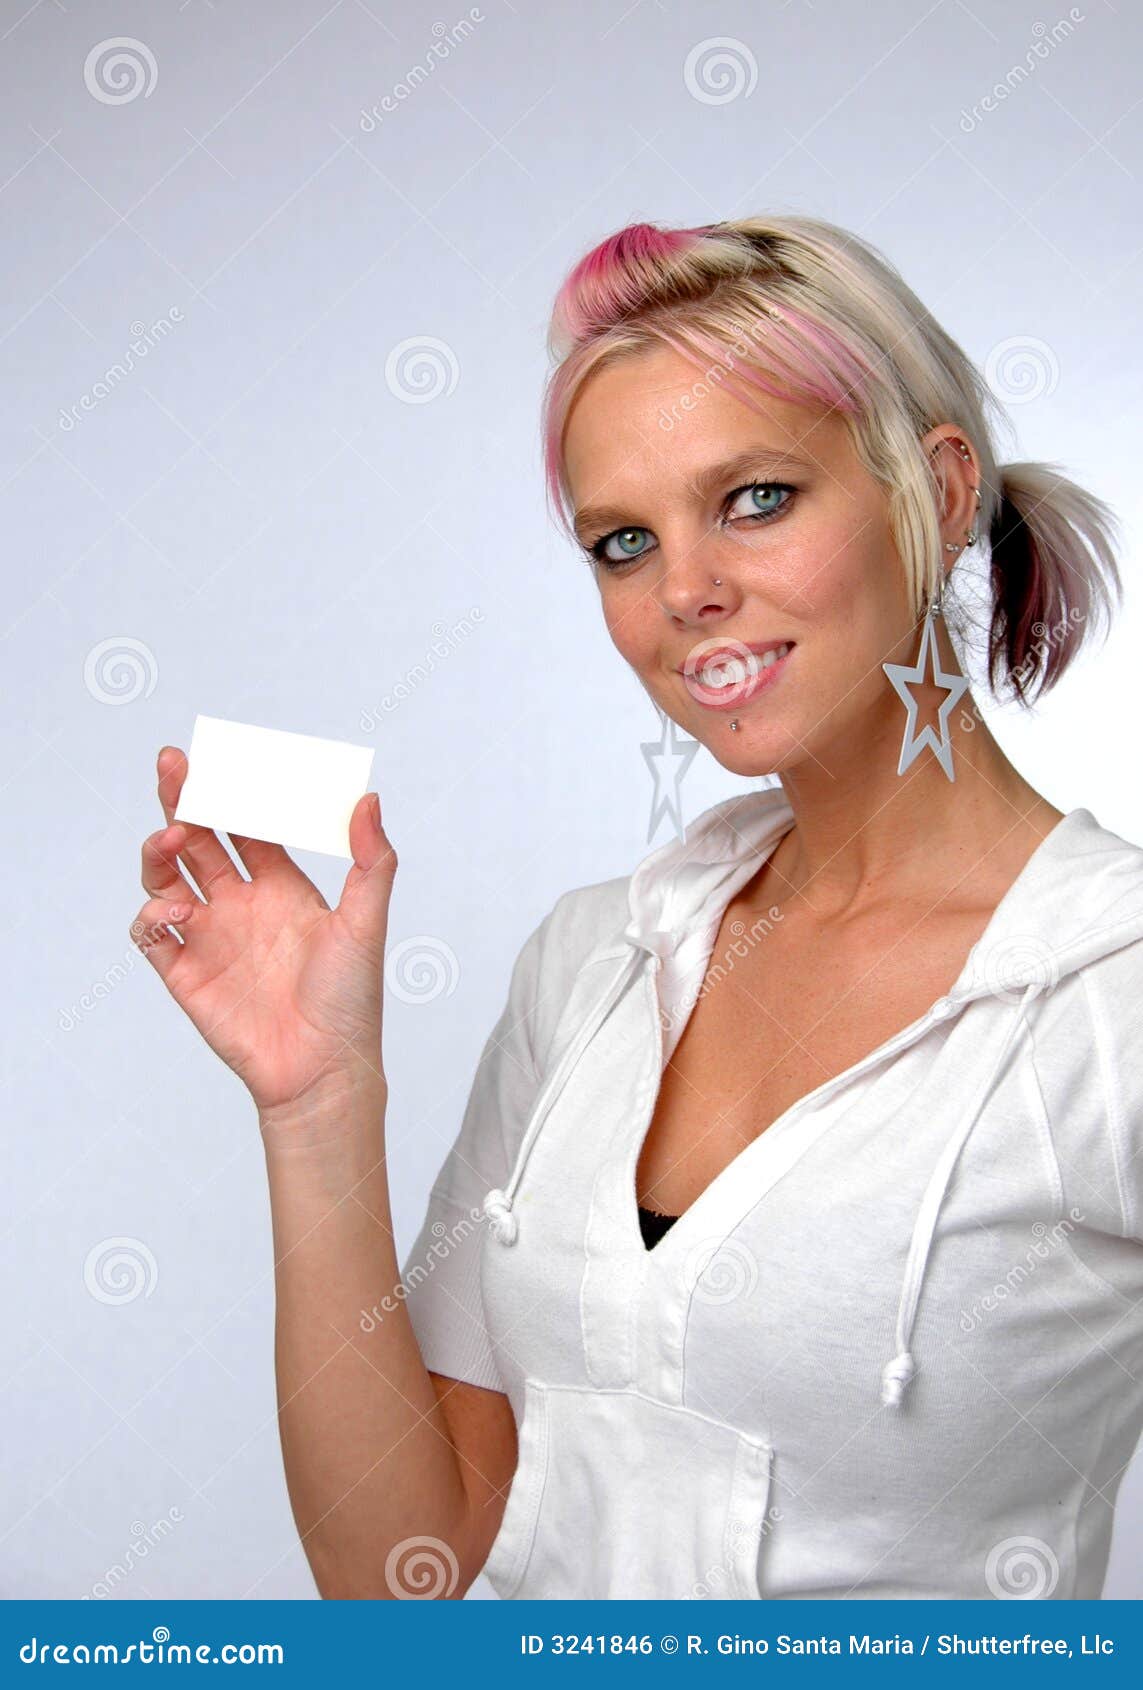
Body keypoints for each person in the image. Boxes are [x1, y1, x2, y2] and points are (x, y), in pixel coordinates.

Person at [132, 214, 1143, 1602]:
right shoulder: (594, 965)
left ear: (941, 488)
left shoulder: (1110, 993)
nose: (685, 591)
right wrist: (316, 1104)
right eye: (622, 541)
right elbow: (400, 1579)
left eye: (758, 499)